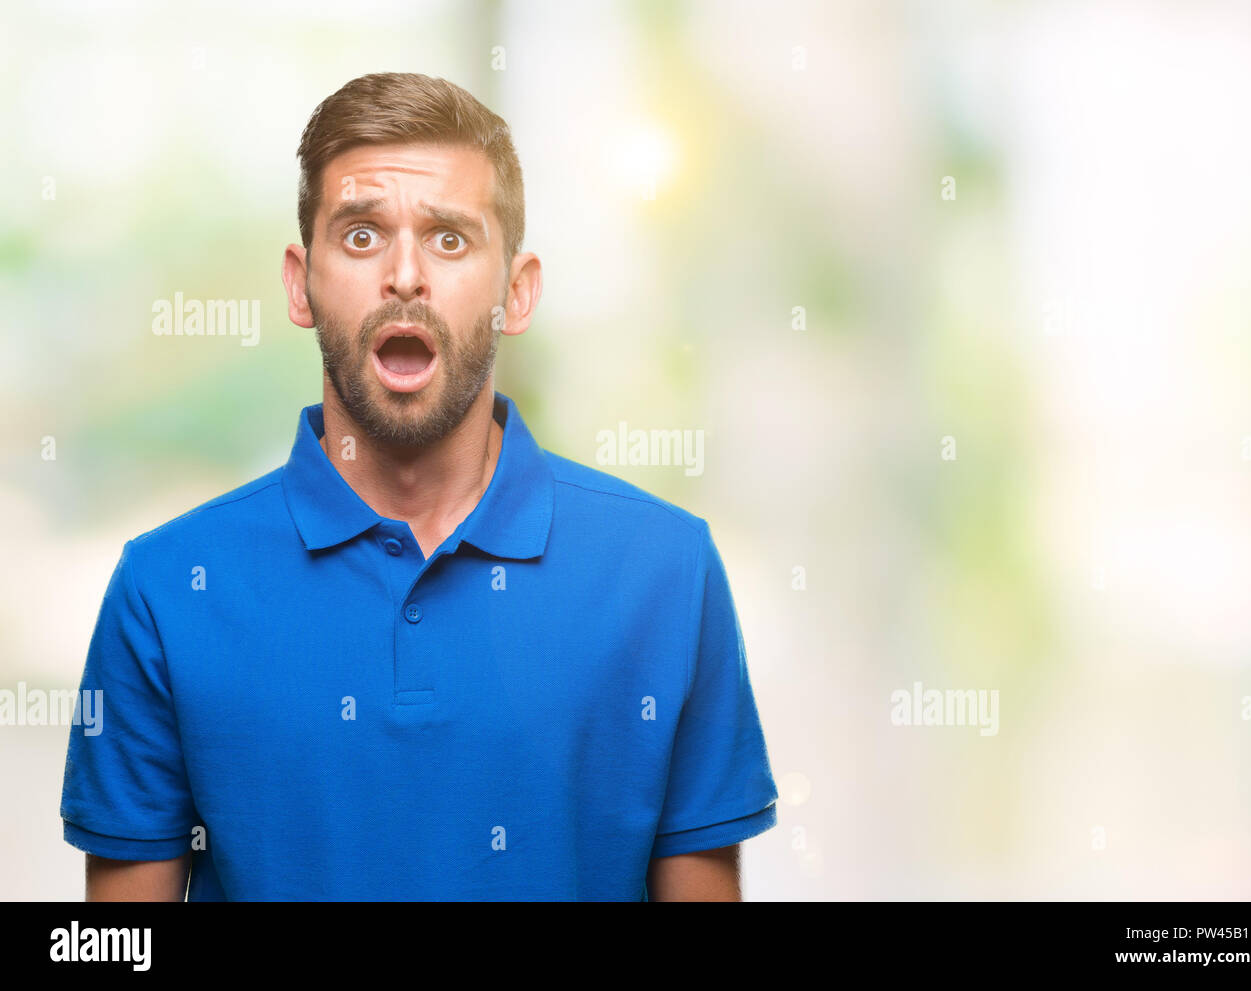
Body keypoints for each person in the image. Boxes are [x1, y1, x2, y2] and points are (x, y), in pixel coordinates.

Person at [60, 72, 778, 901]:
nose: (405, 275)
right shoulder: (164, 587)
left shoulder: (667, 572)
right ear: (301, 283)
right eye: (362, 236)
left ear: (517, 290)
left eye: (448, 238)